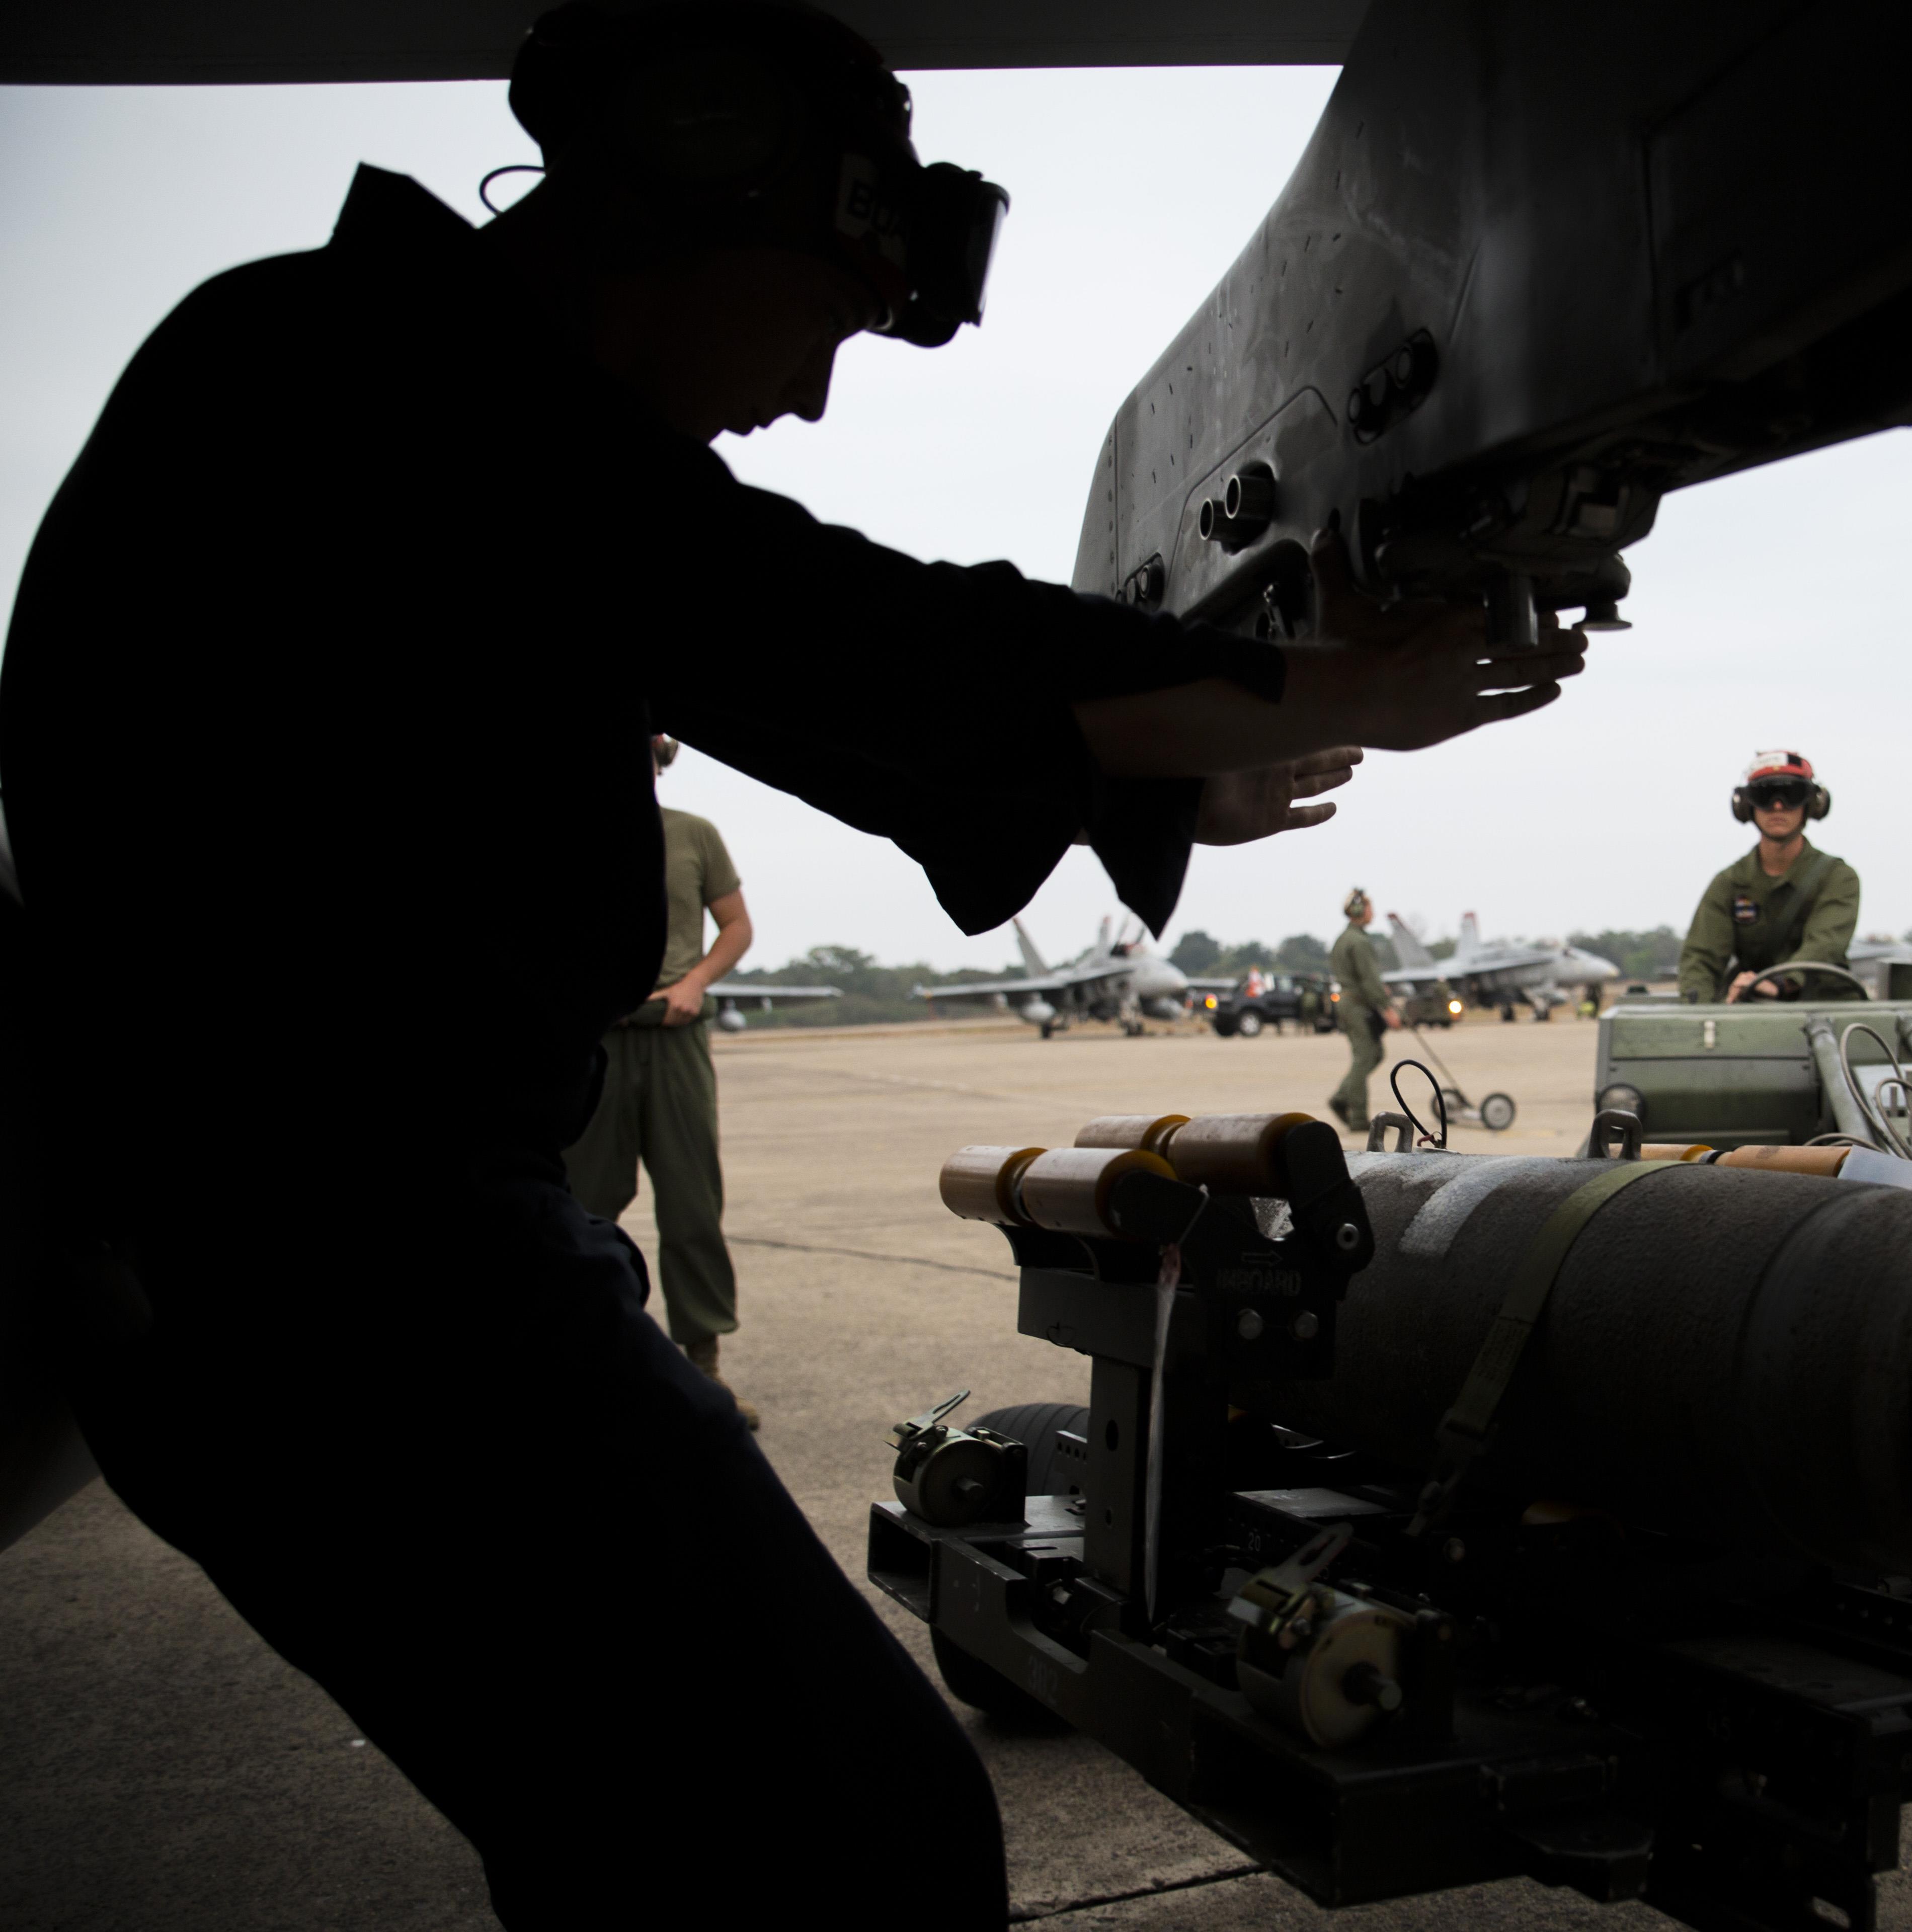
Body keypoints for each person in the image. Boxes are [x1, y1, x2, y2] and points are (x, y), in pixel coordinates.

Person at [0, 4, 1583, 1924]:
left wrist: (1172, 773)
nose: (814, 398)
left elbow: (796, 673)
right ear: (703, 164)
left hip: (310, 1262)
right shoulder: (377, 369)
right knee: (842, 1842)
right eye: (835, 317)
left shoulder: (381, 393)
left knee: (680, 1843)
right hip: (346, 1265)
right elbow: (832, 637)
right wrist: (1326, 686)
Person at [563, 734, 757, 1426]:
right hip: (596, 1041)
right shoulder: (565, 833)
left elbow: (736, 926)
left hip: (675, 1041)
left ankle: (702, 1366)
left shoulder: (694, 834)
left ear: (660, 758)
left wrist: (695, 982)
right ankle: (580, 1357)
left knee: (691, 1206)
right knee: (581, 1205)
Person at [1675, 750, 1862, 1004]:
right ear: (1747, 806)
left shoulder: (1837, 877)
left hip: (1827, 1007)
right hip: (1753, 1005)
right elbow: (1701, 958)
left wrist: (1780, 983)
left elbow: (1825, 945)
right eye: (1765, 796)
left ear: (1812, 803)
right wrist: (1701, 1013)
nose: (1778, 806)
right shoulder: (1730, 883)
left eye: (1791, 795)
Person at [1328, 888, 1400, 1128]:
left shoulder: (1343, 939)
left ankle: (1342, 1097)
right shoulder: (1359, 942)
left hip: (1351, 1002)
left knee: (1374, 1054)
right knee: (1365, 1057)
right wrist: (1387, 1008)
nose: (1373, 913)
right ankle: (1358, 1116)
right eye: (1370, 909)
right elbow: (1369, 979)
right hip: (1357, 1005)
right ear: (1359, 911)